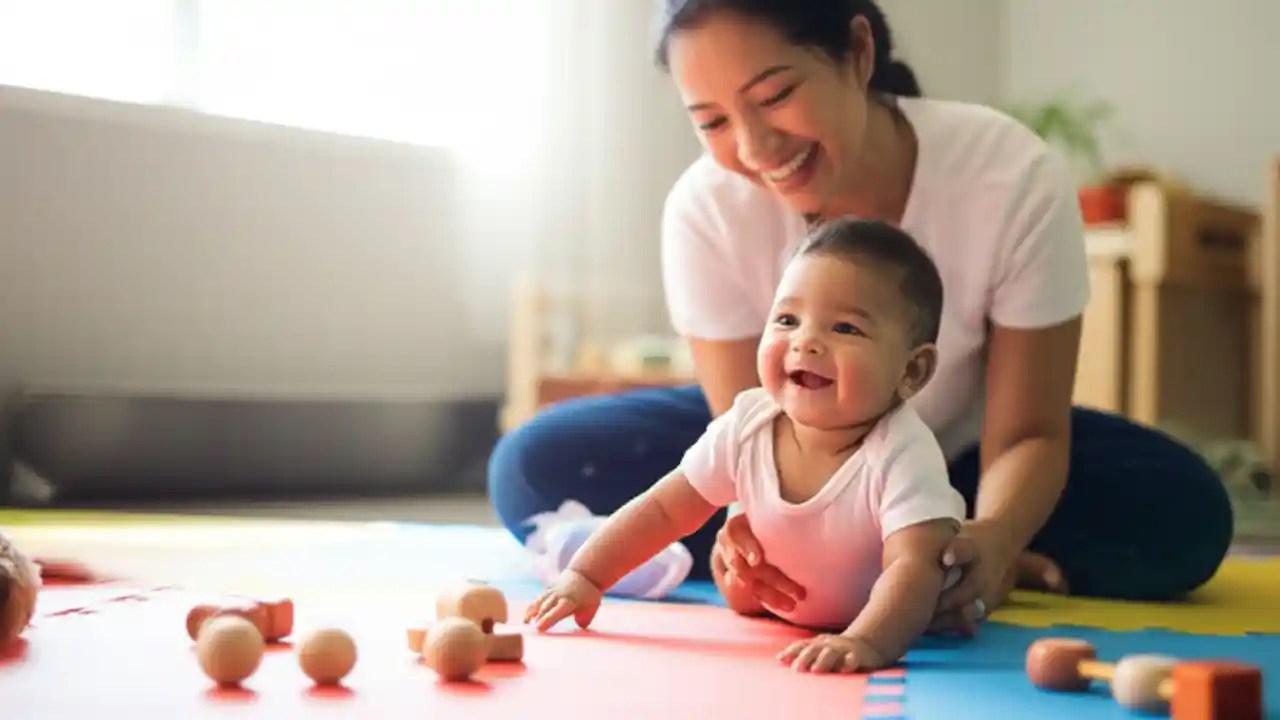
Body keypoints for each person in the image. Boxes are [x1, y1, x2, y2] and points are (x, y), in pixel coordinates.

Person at [488, 0, 1234, 634]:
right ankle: (867, 565)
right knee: (532, 465)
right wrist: (750, 530)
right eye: (712, 120)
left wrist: (999, 536)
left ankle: (944, 550)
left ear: (858, 50)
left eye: (776, 94)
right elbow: (746, 428)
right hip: (792, 444)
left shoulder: (1009, 173)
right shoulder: (705, 207)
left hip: (967, 448)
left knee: (1187, 516)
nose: (753, 148)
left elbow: (1031, 431)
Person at [526, 218, 968, 674]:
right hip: (782, 612)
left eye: (846, 328)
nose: (805, 342)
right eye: (787, 320)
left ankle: (1011, 563)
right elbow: (663, 509)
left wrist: (866, 642)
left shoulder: (902, 452)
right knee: (739, 593)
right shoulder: (748, 426)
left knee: (943, 565)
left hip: (893, 619)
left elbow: (910, 568)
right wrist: (585, 576)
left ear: (912, 371)